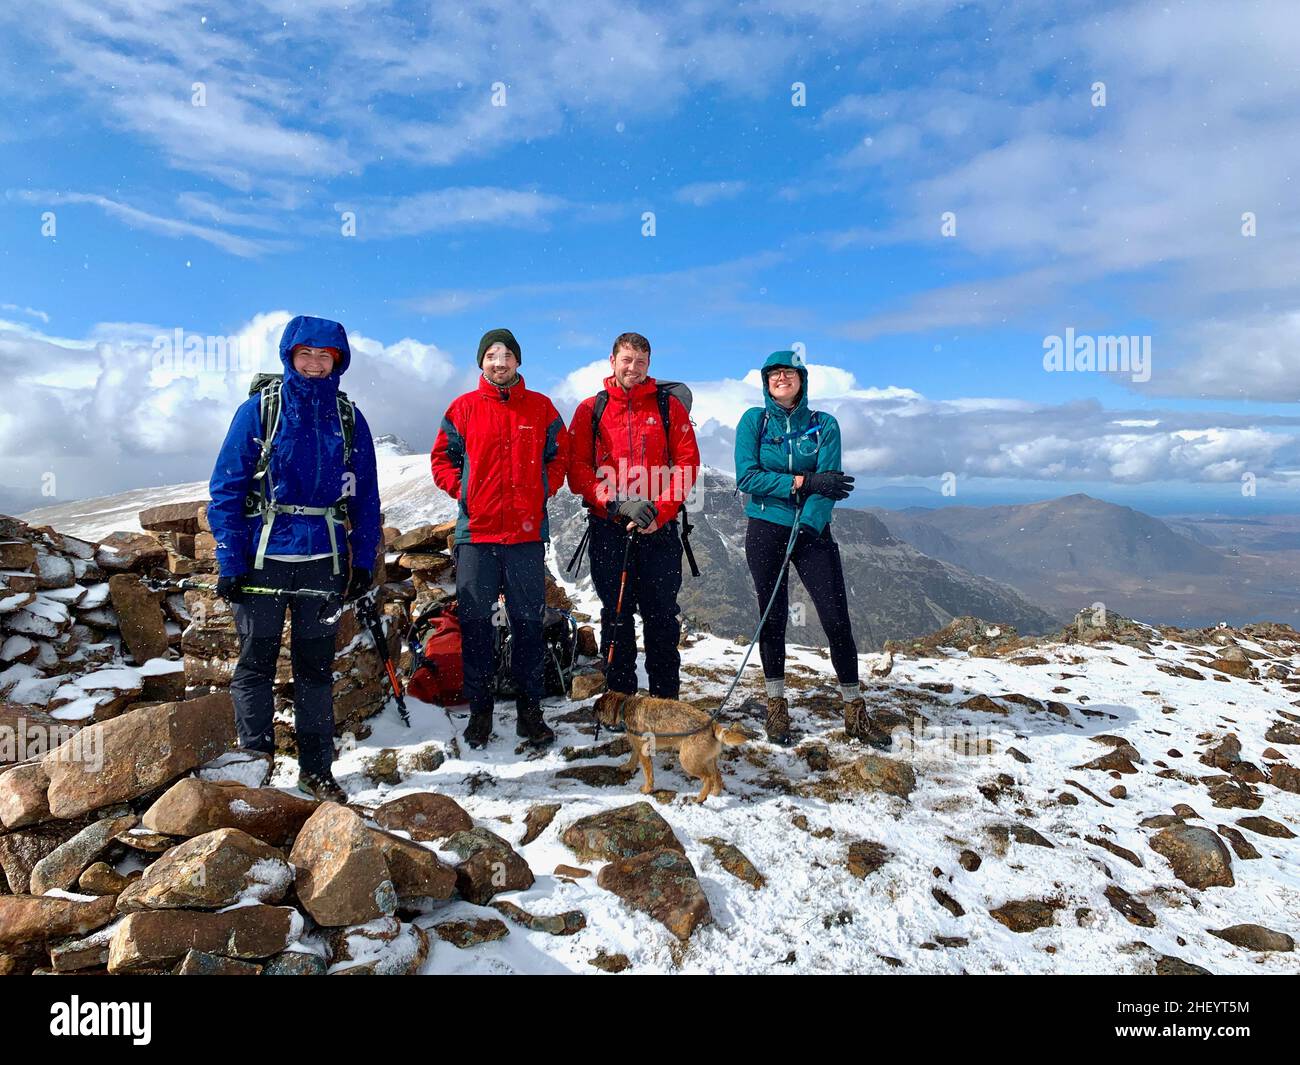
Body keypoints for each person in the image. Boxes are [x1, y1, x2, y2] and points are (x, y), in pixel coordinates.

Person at [208, 315, 381, 800]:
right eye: (305, 355)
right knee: (255, 666)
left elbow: (365, 496)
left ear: (337, 363)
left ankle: (317, 771)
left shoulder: (348, 418)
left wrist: (363, 557)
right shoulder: (259, 411)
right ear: (289, 356)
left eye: (324, 357)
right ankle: (255, 769)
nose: (313, 364)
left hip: (323, 562)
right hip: (263, 557)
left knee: (314, 671)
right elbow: (225, 487)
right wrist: (229, 559)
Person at [431, 328, 570, 749]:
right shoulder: (463, 408)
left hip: (526, 536)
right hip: (477, 534)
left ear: (518, 362)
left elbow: (559, 455)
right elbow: (441, 459)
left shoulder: (542, 408)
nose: (499, 362)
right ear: (481, 363)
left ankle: (530, 711)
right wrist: (464, 490)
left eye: (507, 355)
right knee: (476, 625)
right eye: (492, 355)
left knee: (528, 623)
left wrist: (541, 487)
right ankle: (480, 711)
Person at [733, 350, 863, 745]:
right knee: (771, 619)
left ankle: (855, 710)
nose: (781, 378)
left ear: (802, 380)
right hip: (765, 530)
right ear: (765, 382)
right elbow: (748, 477)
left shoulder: (824, 425)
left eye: (789, 372)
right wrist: (803, 483)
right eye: (774, 374)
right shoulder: (753, 422)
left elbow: (832, 485)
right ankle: (776, 708)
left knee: (835, 619)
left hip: (811, 532)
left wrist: (808, 522)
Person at [567, 332, 700, 699]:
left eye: (641, 362)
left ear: (649, 365)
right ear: (612, 361)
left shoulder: (667, 406)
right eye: (627, 360)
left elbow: (687, 463)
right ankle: (621, 697)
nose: (633, 368)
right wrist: (615, 502)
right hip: (609, 528)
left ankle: (665, 701)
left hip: (658, 531)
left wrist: (661, 510)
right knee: (616, 615)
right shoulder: (590, 409)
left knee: (661, 617)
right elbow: (577, 468)